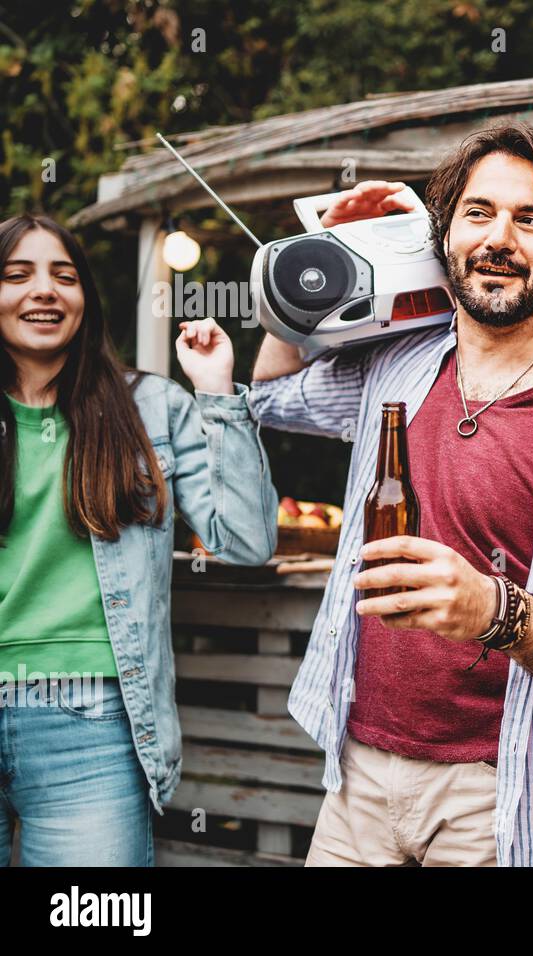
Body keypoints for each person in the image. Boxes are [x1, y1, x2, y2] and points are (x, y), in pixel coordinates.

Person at [250, 122, 533, 867]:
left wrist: (495, 612)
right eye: (478, 213)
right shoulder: (395, 366)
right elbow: (272, 394)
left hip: (498, 797)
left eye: (531, 219)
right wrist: (324, 256)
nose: (500, 238)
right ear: (445, 236)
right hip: (356, 778)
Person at [0, 214, 277, 866]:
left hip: (89, 720)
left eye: (63, 276)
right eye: (18, 275)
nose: (45, 291)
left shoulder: (149, 407)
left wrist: (214, 392)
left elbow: (246, 540)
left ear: (86, 299)